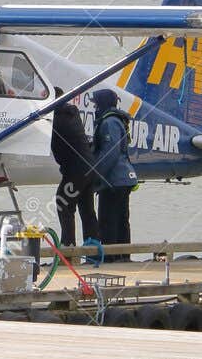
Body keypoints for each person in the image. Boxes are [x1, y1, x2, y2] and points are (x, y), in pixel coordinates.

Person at [89, 89, 138, 260]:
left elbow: (110, 153)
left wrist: (95, 176)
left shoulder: (109, 122)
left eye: (96, 104)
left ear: (102, 104)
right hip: (123, 178)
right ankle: (123, 257)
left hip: (114, 180)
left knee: (108, 220)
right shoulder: (117, 120)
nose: (94, 107)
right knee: (121, 219)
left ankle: (111, 258)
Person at [51, 92, 98, 246]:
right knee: (87, 210)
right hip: (89, 166)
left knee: (63, 203)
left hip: (75, 169)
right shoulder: (72, 114)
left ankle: (68, 247)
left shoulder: (56, 119)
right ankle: (93, 249)